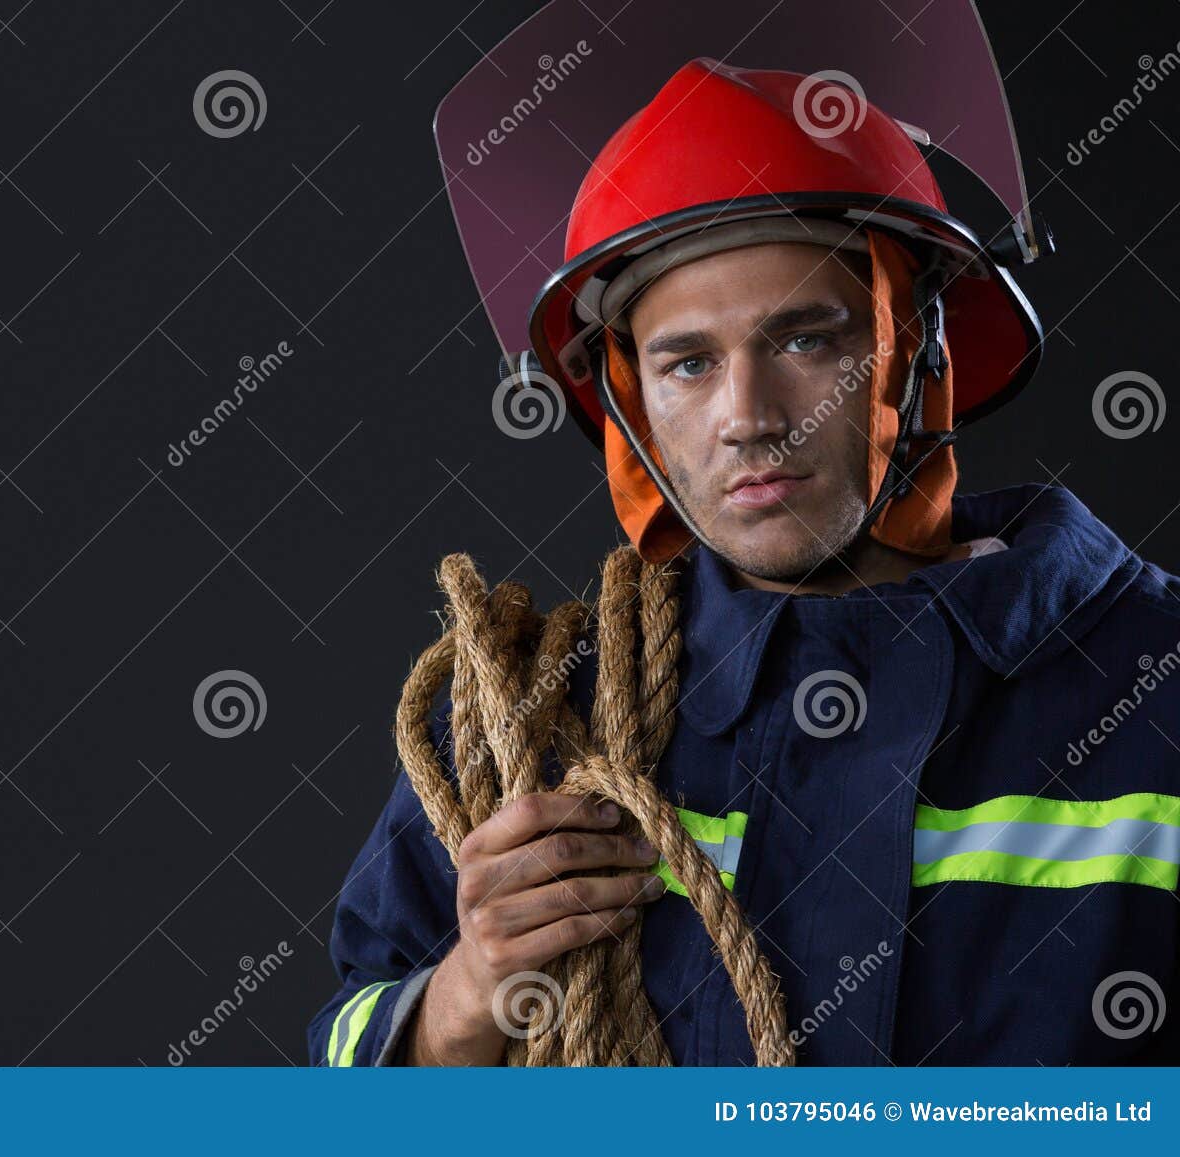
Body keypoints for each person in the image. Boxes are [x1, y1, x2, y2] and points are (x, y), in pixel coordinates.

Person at [310, 57, 1180, 1066]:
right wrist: (461, 998)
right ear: (628, 401)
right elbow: (344, 1071)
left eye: (805, 339)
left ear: (915, 345)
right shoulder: (528, 719)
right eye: (687, 362)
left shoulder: (1149, 684)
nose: (749, 418)